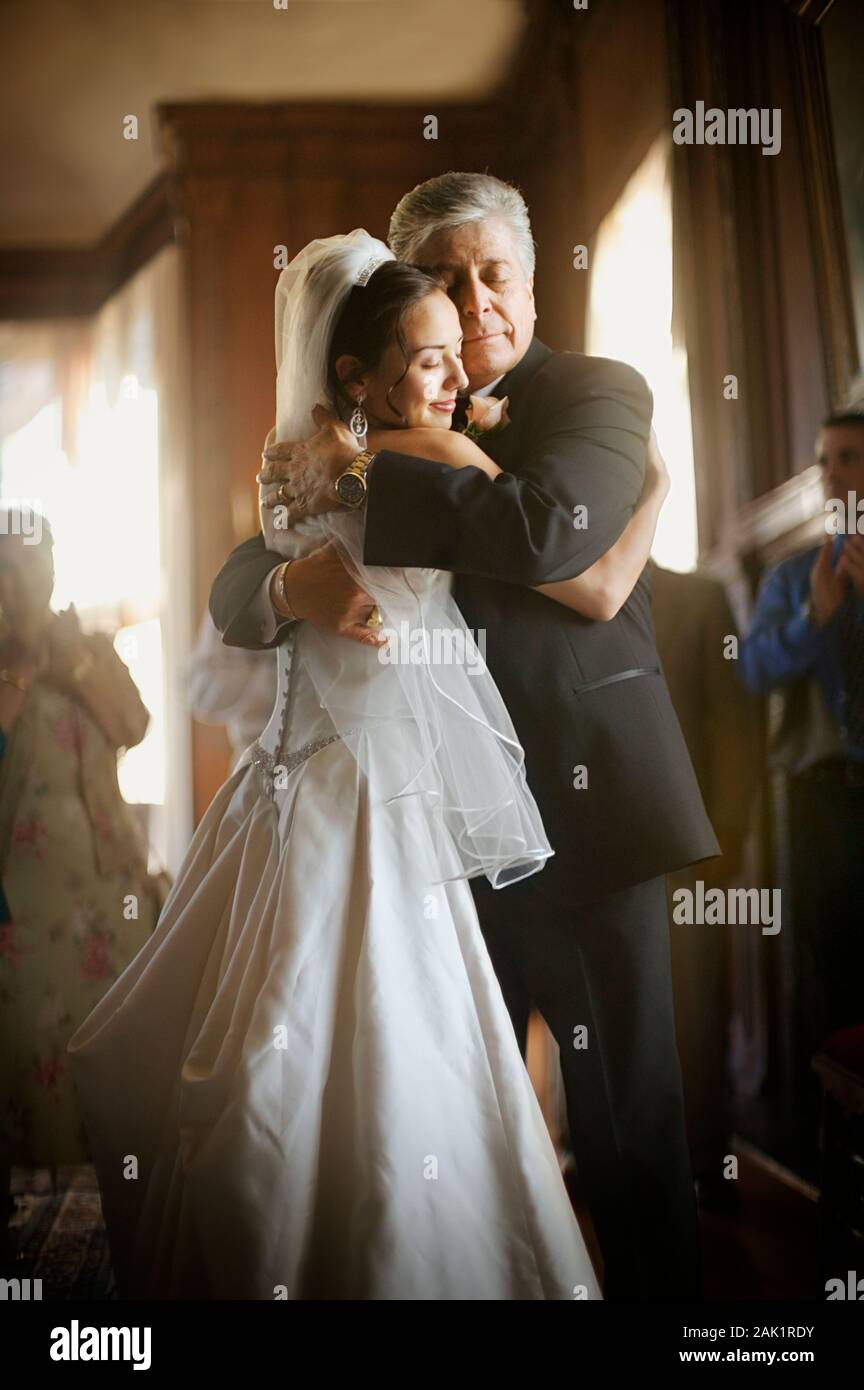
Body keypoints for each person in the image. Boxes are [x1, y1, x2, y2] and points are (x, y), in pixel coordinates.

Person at [68, 230, 670, 1301]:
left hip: (451, 788)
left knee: (351, 1044)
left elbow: (527, 538)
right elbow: (583, 579)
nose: (459, 359)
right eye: (433, 332)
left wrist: (346, 459)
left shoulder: (326, 446)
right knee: (405, 1041)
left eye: (485, 292)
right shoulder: (401, 448)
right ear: (362, 364)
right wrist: (658, 495)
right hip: (383, 792)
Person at [208, 173, 719, 1300]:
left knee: (630, 1137)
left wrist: (366, 470)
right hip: (417, 835)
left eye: (497, 274)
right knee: (444, 1113)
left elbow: (549, 535)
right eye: (446, 277)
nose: (476, 300)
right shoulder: (338, 431)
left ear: (532, 289)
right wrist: (296, 578)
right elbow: (239, 580)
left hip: (585, 821)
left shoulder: (596, 392)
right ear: (403, 296)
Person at [0, 509, 157, 1261]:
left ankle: (125, 1238)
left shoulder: (85, 644)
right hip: (28, 915)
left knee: (118, 1074)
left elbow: (134, 721)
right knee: (44, 1085)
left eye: (39, 563)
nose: (30, 580)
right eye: (13, 567)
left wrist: (72, 659)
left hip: (112, 900)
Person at [739, 411, 864, 1076]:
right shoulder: (789, 578)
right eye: (824, 459)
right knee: (834, 975)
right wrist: (816, 617)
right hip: (821, 805)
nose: (831, 472)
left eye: (847, 457)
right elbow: (753, 670)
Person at [650, 560, 760, 1203]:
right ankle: (608, 1149)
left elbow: (736, 723)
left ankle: (708, 1158)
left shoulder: (701, 599)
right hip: (597, 851)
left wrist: (730, 832)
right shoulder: (562, 598)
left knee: (697, 1006)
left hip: (693, 853)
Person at [185, 609, 276, 769]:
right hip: (253, 758)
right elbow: (200, 692)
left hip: (317, 762)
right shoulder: (229, 604)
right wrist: (264, 680)